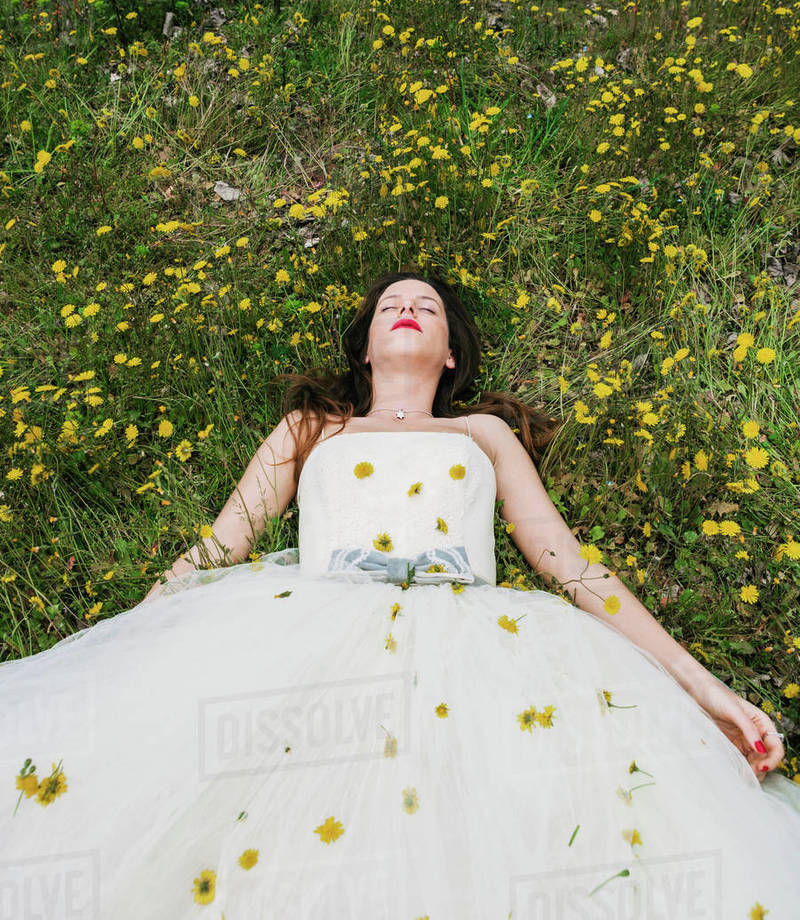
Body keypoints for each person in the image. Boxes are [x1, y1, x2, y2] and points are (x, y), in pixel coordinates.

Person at [2, 269, 799, 920]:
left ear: (450, 356)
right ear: (366, 348)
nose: (408, 308)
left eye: (427, 306)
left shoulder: (481, 434)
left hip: (472, 656)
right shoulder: (312, 428)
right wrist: (122, 648)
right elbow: (218, 546)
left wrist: (703, 687)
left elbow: (573, 568)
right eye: (390, 305)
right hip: (307, 641)